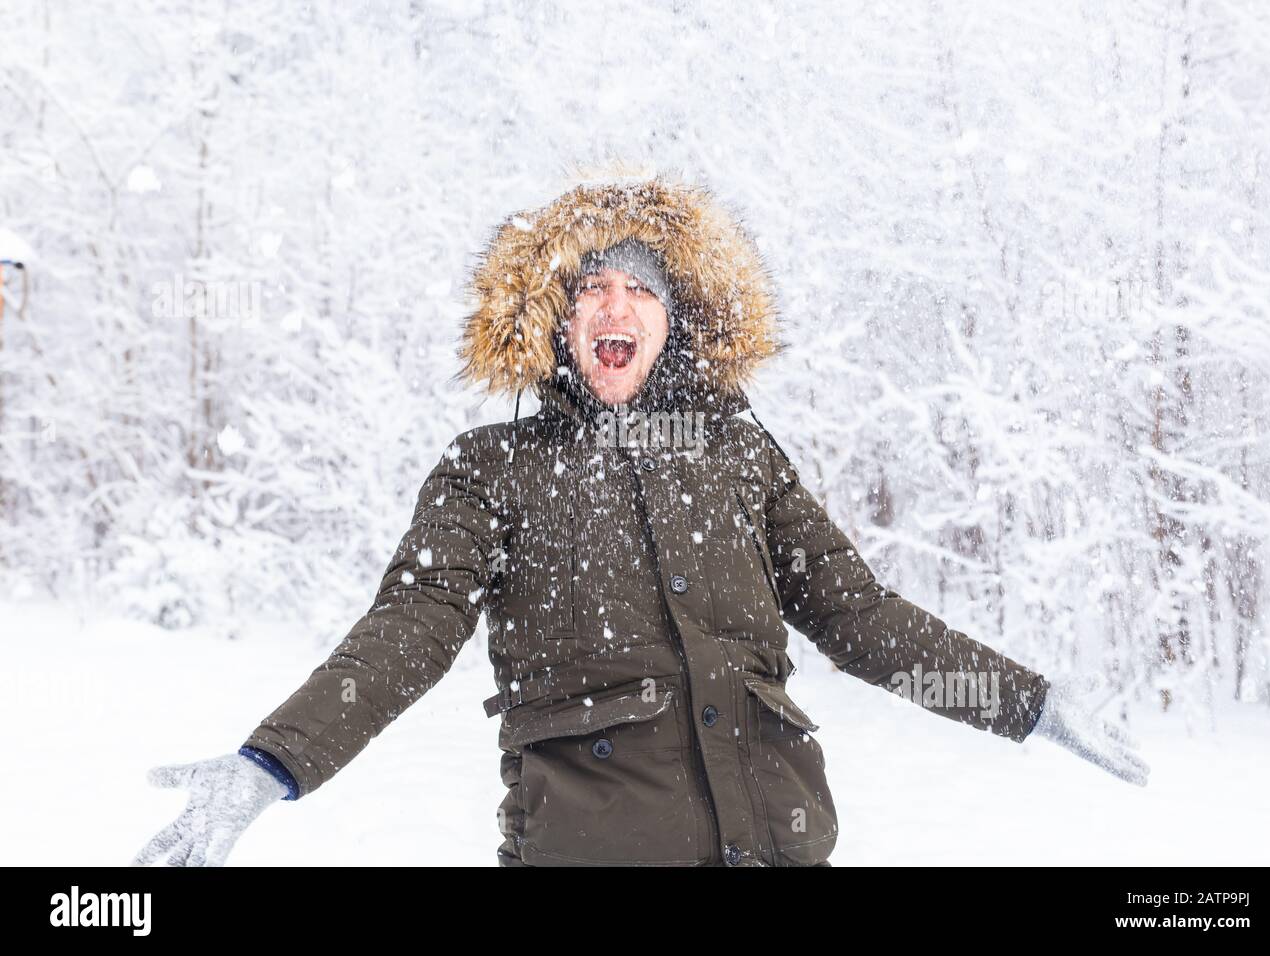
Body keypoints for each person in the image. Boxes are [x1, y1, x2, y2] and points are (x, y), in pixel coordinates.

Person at [133, 172, 1148, 868]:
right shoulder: (492, 470)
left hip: (779, 837)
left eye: (639, 289)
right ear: (557, 325)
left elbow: (859, 615)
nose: (614, 304)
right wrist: (275, 758)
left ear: (674, 318)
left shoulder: (741, 456)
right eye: (591, 289)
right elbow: (409, 628)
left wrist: (1025, 699)